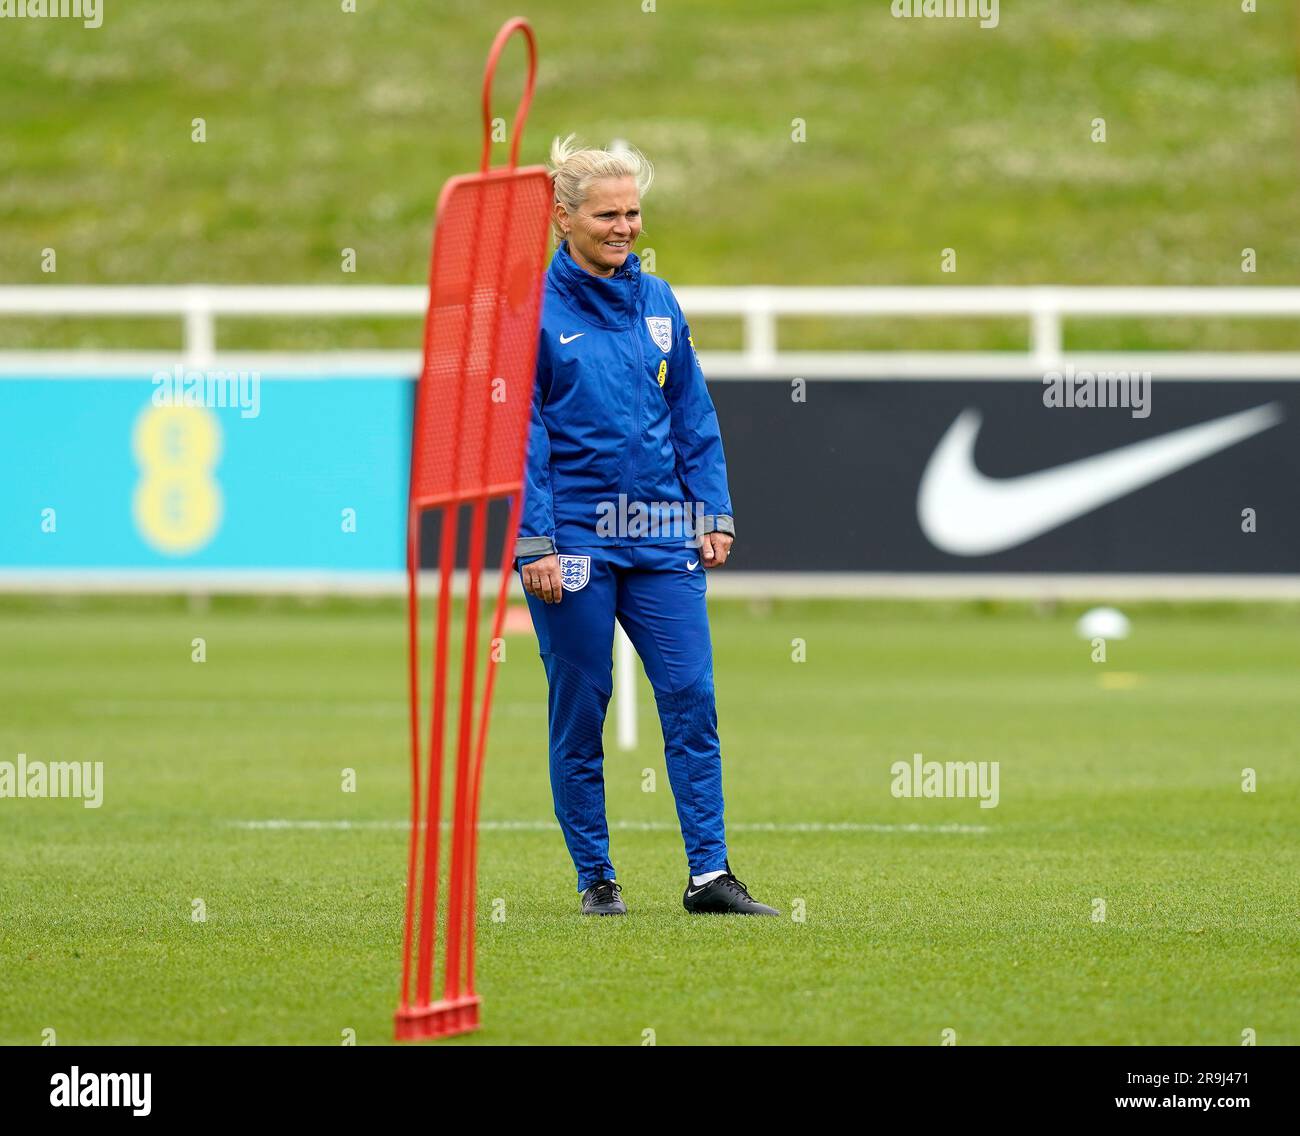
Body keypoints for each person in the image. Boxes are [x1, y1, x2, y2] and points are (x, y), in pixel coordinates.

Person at [515, 133, 778, 917]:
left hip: (662, 531)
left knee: (692, 695)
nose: (624, 227)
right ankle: (597, 878)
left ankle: (710, 875)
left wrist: (712, 508)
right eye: (607, 214)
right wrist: (534, 541)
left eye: (633, 212)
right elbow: (521, 435)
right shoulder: (533, 313)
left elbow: (691, 410)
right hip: (575, 540)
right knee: (582, 709)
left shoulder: (660, 301)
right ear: (564, 218)